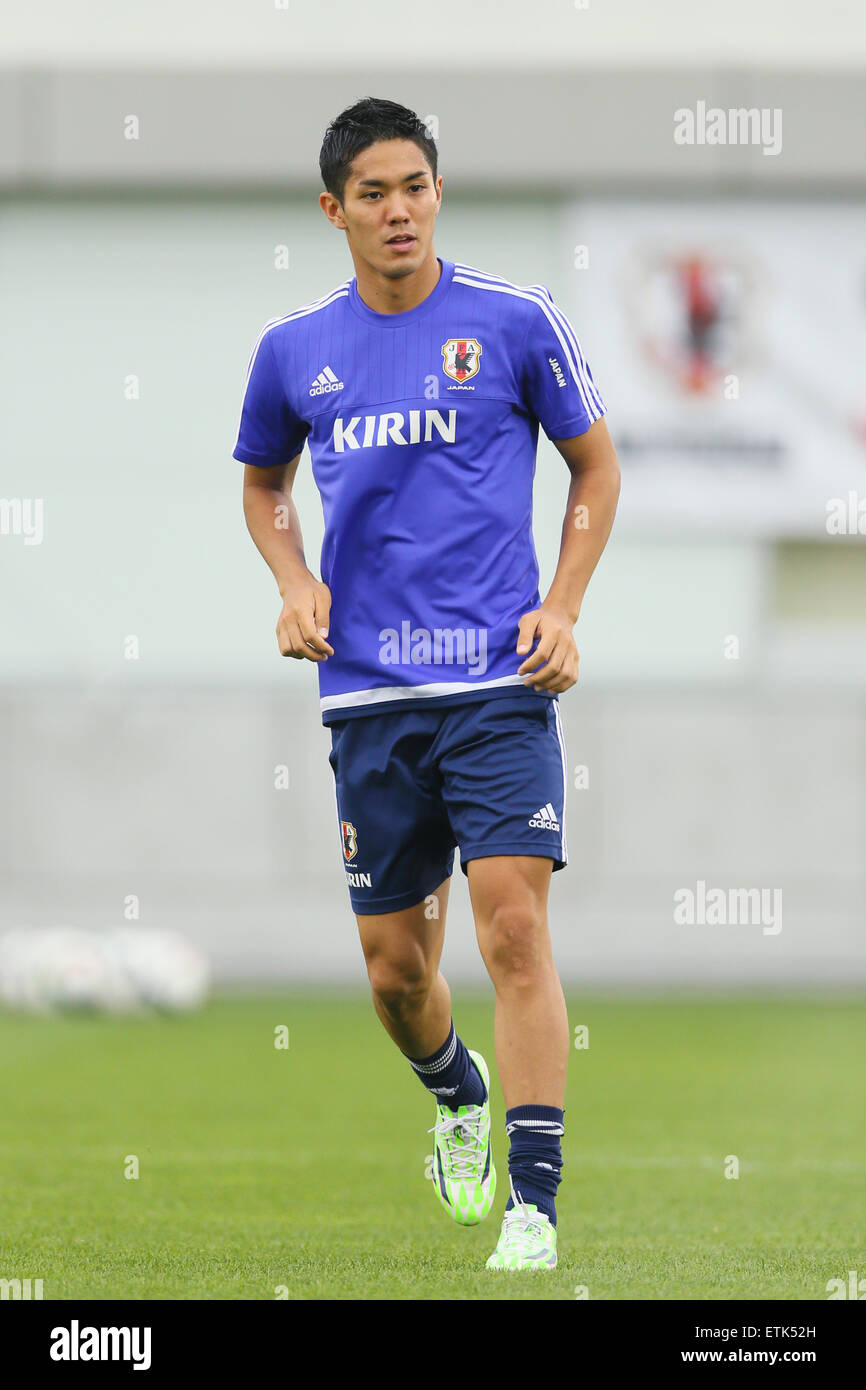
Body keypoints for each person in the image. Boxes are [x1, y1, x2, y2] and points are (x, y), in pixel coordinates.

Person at [234, 97, 620, 1270]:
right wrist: (294, 583)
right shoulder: (294, 349)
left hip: (499, 684)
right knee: (397, 973)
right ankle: (455, 1094)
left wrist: (561, 609)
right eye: (372, 194)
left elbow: (593, 465)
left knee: (511, 924)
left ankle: (535, 1204)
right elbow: (262, 487)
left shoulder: (512, 322)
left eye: (415, 187)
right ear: (333, 210)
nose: (397, 211)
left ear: (436, 192)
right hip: (366, 699)